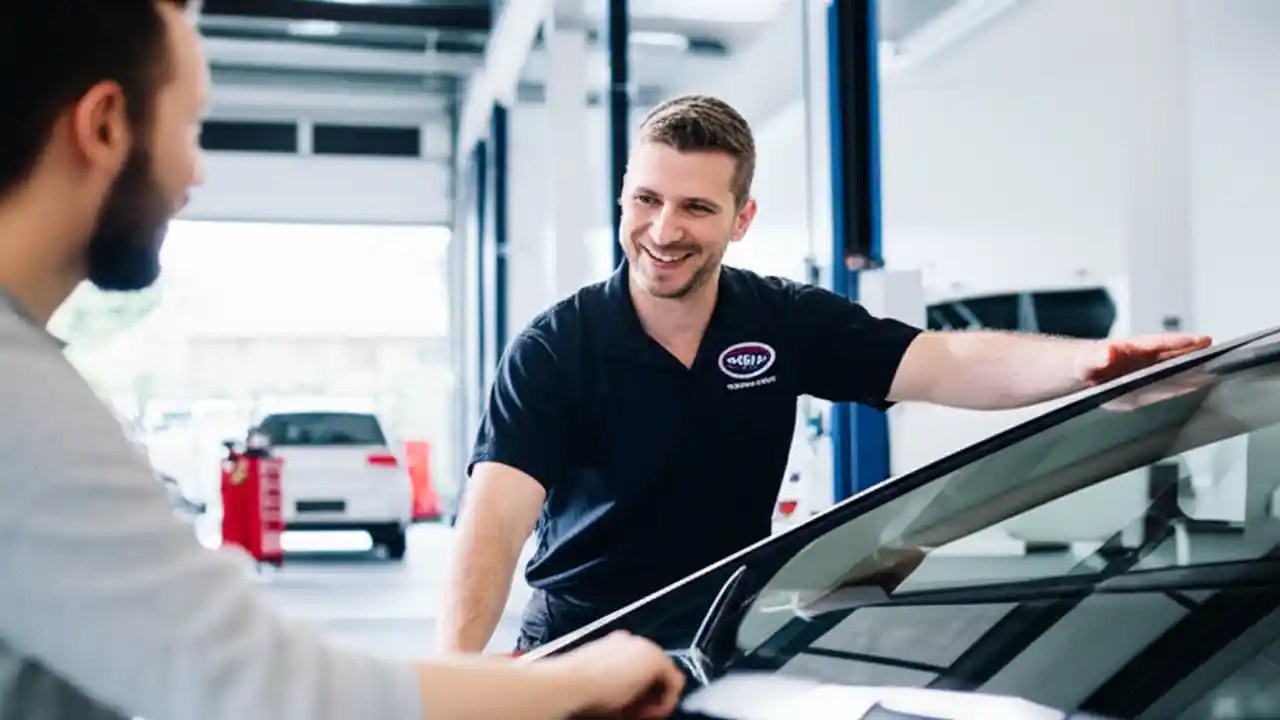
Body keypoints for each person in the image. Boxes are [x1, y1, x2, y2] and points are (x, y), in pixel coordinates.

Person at [0, 3, 685, 720]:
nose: (194, 172)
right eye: (190, 126)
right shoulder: (20, 404)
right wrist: (582, 679)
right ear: (104, 125)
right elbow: (267, 688)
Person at [438, 93, 1214, 655]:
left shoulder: (779, 320)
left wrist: (1085, 363)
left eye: (697, 209)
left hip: (722, 633)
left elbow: (941, 362)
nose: (663, 231)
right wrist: (456, 684)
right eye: (646, 199)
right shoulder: (554, 349)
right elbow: (494, 525)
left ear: (742, 219)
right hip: (582, 640)